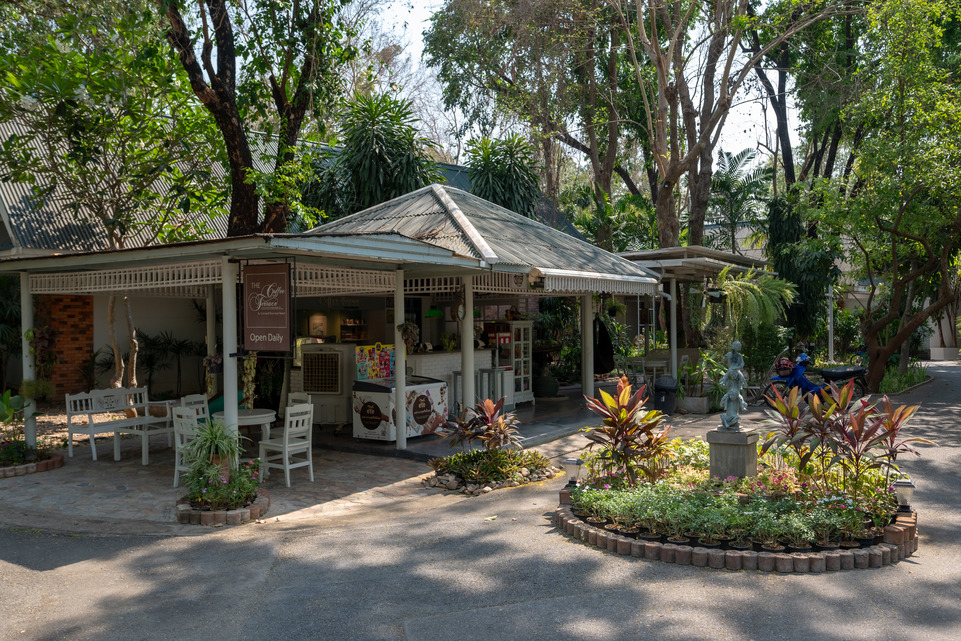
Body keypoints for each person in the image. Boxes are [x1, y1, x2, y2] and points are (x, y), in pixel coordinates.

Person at [719, 341, 747, 430]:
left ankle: (741, 384)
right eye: (735, 345)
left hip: (736, 370)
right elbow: (723, 361)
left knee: (741, 376)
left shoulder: (739, 356)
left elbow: (742, 364)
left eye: (738, 346)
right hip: (730, 370)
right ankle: (723, 381)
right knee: (727, 375)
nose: (736, 347)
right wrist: (724, 359)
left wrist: (737, 368)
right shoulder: (729, 354)